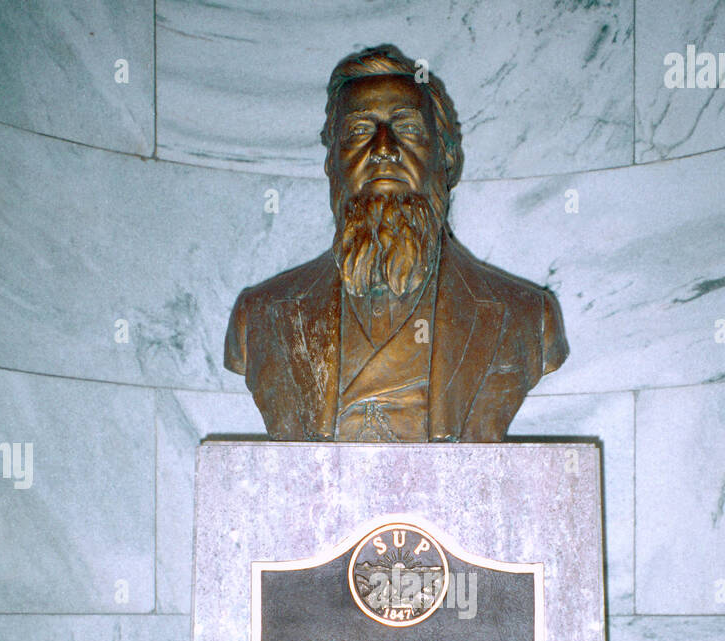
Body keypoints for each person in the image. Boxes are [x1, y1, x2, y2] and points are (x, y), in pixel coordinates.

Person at [225, 44, 568, 443]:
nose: (383, 149)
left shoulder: (525, 316)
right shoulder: (262, 315)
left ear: (447, 159)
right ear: (331, 163)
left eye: (406, 129)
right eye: (359, 131)